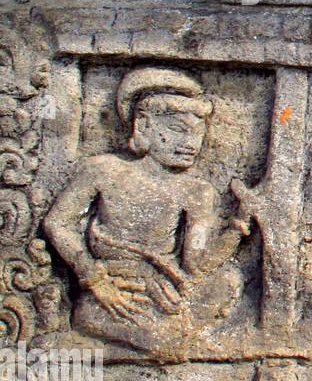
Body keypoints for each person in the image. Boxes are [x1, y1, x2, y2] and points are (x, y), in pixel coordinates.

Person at [43, 67, 251, 358]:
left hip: (165, 288)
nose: (191, 143)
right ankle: (161, 338)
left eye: (199, 133)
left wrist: (236, 228)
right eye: (178, 129)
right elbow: (58, 223)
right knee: (159, 339)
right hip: (114, 289)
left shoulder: (196, 191)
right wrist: (94, 279)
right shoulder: (105, 170)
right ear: (143, 126)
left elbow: (195, 264)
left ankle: (170, 335)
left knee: (228, 280)